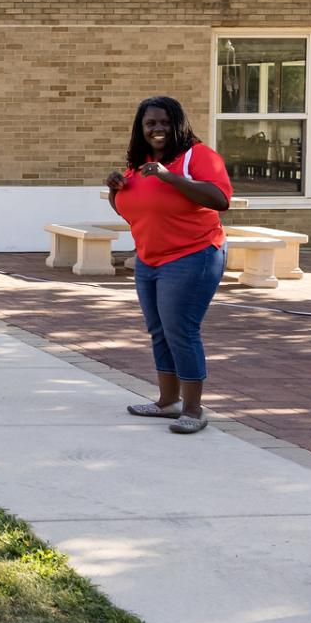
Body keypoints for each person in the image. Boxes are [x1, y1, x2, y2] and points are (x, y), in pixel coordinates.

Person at [105, 95, 231, 435]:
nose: (157, 128)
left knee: (181, 329)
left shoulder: (197, 156)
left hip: (193, 254)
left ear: (177, 124)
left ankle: (193, 409)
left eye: (164, 122)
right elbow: (132, 210)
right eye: (150, 123)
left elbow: (220, 199)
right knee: (159, 329)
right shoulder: (140, 162)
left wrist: (170, 177)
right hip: (149, 258)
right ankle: (167, 402)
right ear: (141, 128)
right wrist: (116, 190)